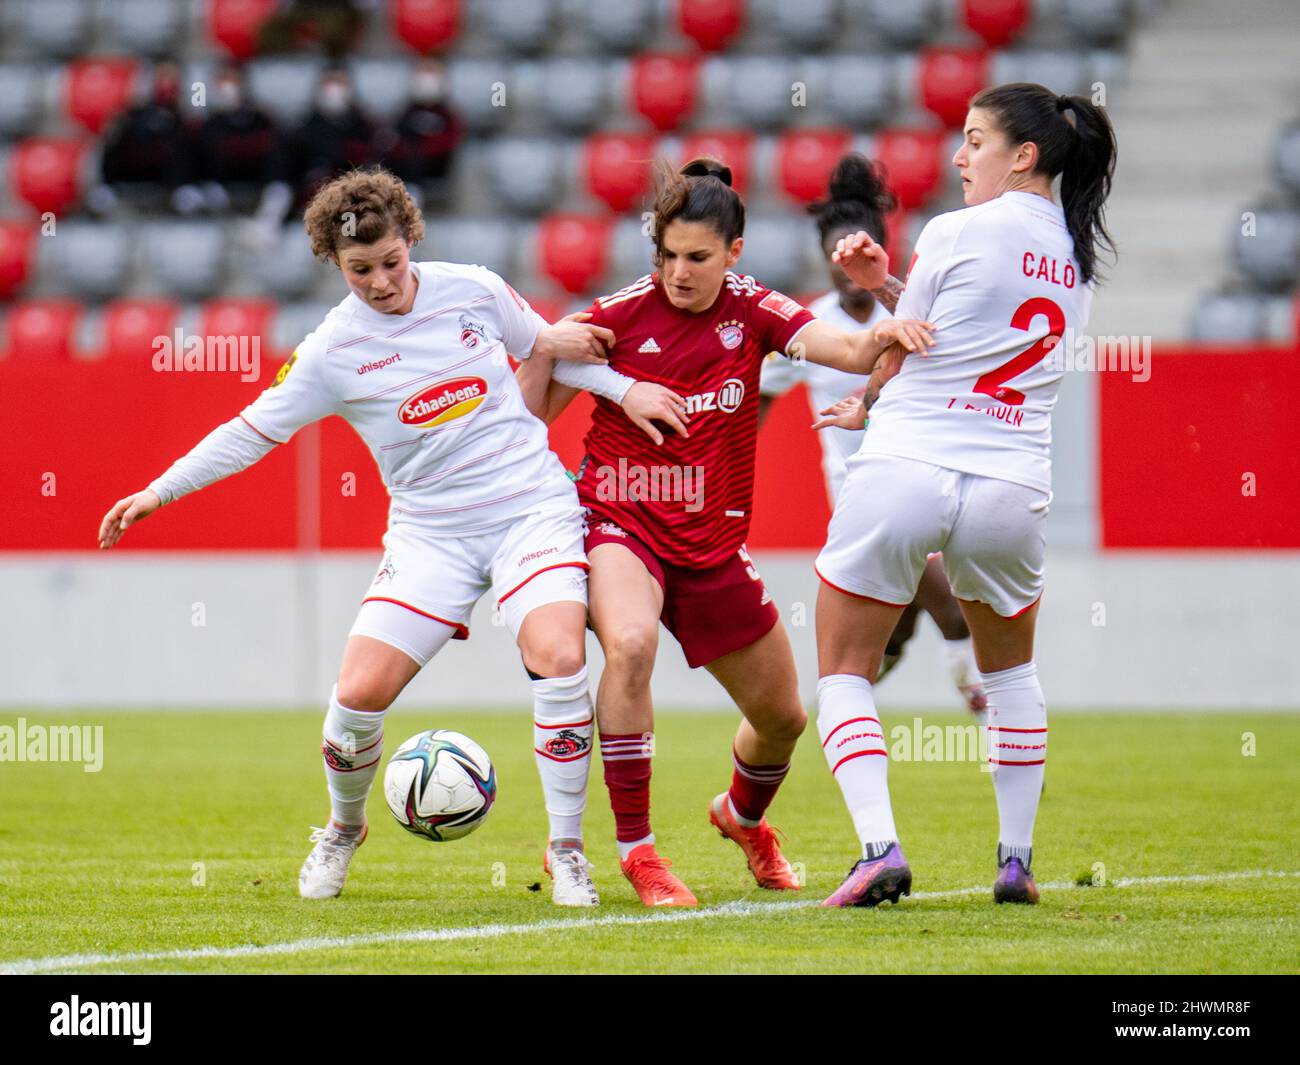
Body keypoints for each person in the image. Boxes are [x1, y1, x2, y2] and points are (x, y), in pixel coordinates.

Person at [95, 167, 682, 909]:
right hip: (430, 534)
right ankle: (343, 827)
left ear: (411, 240)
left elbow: (551, 348)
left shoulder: (473, 288)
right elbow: (251, 431)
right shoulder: (333, 351)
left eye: (390, 262)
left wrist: (626, 389)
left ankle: (568, 849)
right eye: (359, 270)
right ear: (336, 266)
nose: (379, 282)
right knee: (356, 694)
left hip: (530, 509)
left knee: (560, 655)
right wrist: (159, 490)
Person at [519, 157, 935, 907]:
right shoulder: (618, 313)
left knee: (783, 717)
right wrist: (555, 354)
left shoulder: (756, 310)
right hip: (621, 521)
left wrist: (885, 318)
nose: (679, 272)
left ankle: (742, 818)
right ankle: (638, 851)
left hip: (712, 546)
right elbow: (531, 411)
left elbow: (842, 348)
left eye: (698, 257)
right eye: (667, 255)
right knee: (632, 644)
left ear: (733, 253)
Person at [812, 84, 1116, 908]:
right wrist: (894, 289)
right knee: (1011, 673)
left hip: (908, 464)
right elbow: (975, 334)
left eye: (975, 140)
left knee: (842, 667)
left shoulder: (955, 229)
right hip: (1011, 487)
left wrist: (868, 393)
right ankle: (1015, 861)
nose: (958, 156)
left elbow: (909, 341)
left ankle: (878, 848)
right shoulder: (1081, 264)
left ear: (1024, 155)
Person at [757, 153, 986, 714]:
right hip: (863, 496)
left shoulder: (912, 313)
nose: (845, 267)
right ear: (825, 258)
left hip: (928, 478)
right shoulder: (809, 327)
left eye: (857, 252)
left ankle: (830, 709)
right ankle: (999, 736)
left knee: (896, 632)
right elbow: (755, 404)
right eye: (835, 256)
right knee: (954, 610)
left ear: (879, 251)